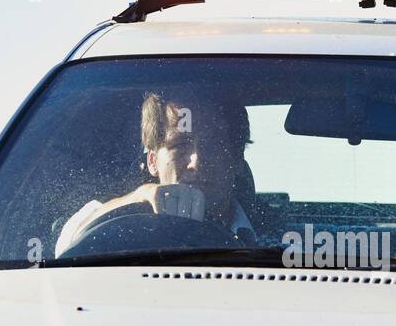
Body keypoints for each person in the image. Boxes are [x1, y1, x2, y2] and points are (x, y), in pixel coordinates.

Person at [54, 92, 257, 257]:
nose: (196, 162)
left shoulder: (276, 236)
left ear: (238, 158)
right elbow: (69, 240)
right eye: (179, 146)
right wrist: (139, 197)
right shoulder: (124, 231)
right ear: (152, 161)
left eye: (214, 146)